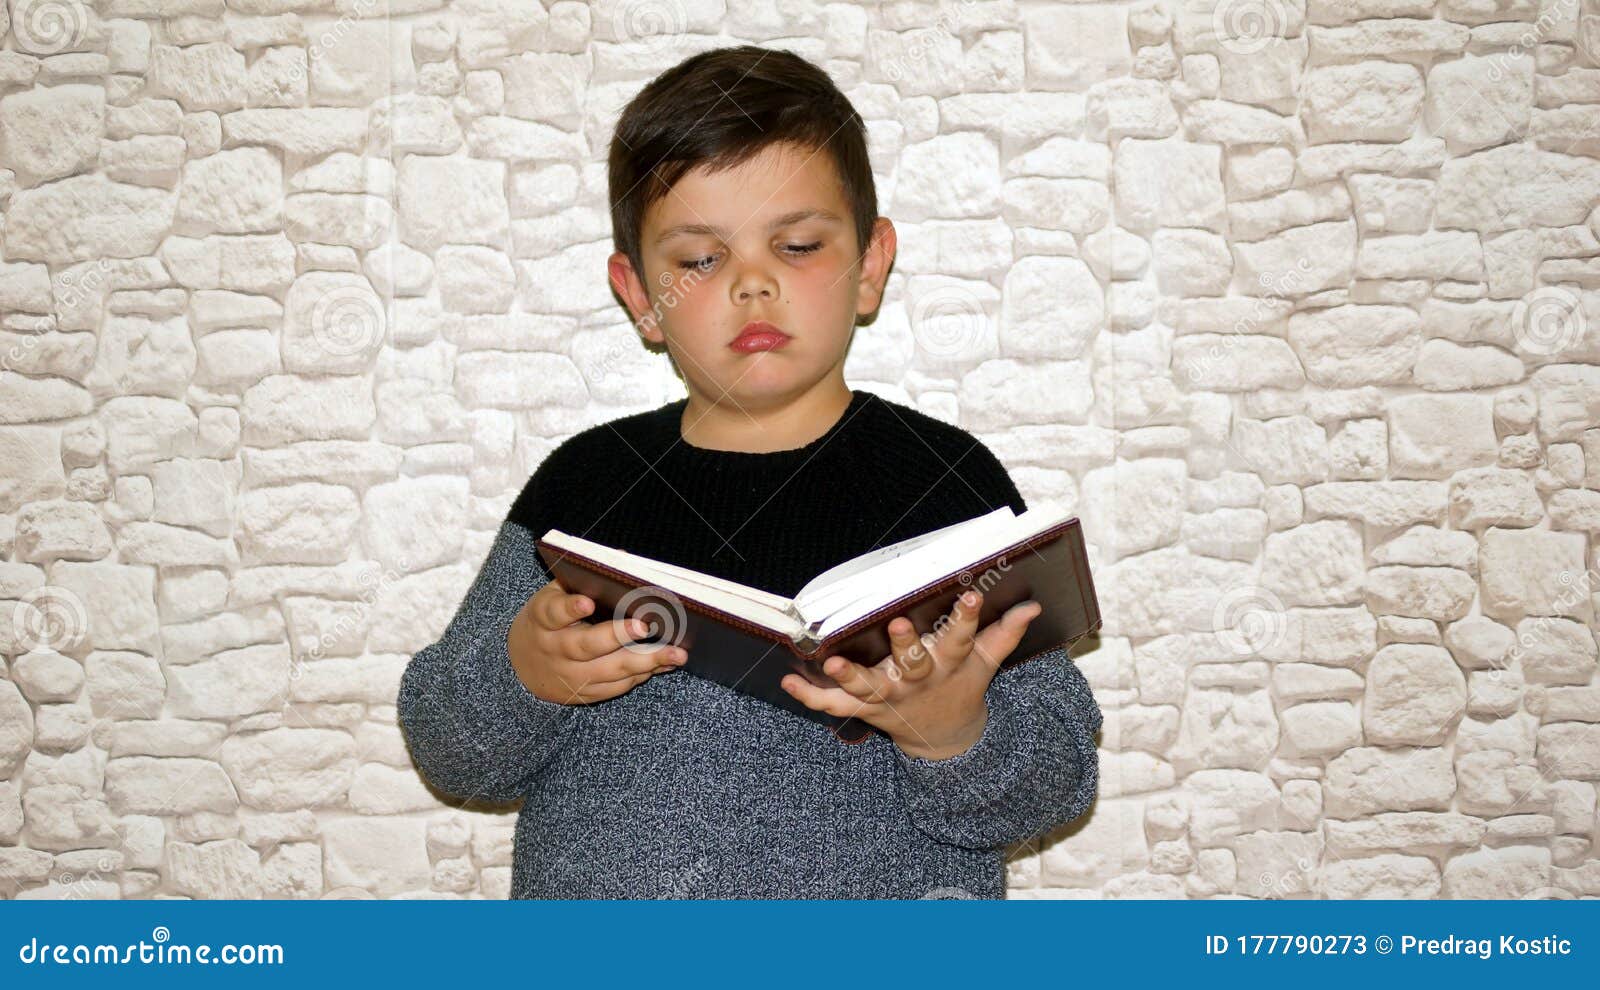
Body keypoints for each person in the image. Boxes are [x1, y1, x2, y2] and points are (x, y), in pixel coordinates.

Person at [396, 44, 1102, 899]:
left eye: (798, 245)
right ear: (636, 294)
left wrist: (953, 734)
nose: (753, 284)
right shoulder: (585, 487)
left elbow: (1057, 773)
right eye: (700, 260)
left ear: (871, 266)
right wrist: (523, 673)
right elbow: (449, 747)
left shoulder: (944, 485)